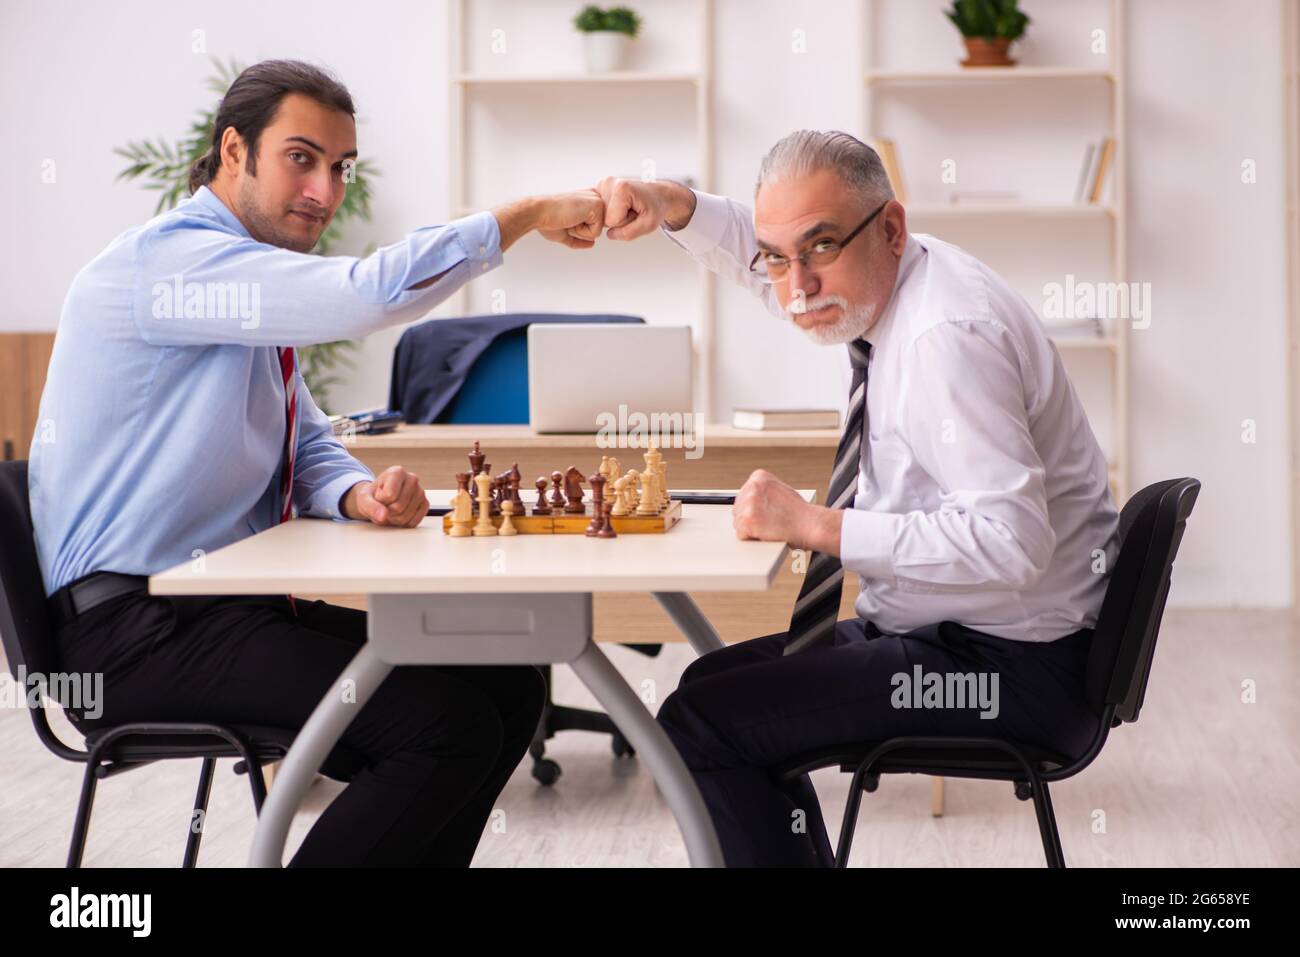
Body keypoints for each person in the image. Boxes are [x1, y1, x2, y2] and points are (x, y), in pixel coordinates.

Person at [30, 59, 605, 866]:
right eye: (301, 158)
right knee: (443, 729)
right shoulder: (168, 267)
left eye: (339, 168)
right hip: (135, 633)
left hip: (222, 610)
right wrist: (524, 215)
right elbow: (365, 295)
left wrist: (358, 493)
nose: (326, 192)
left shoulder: (239, 281)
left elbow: (301, 445)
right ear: (234, 152)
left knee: (507, 685)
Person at [590, 130, 1121, 866]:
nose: (795, 286)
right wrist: (677, 206)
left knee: (703, 723)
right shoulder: (890, 281)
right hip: (962, 634)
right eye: (779, 258)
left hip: (1013, 674)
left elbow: (1012, 540)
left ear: (891, 228)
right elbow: (785, 250)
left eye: (821, 248)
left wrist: (819, 525)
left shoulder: (945, 337)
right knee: (710, 686)